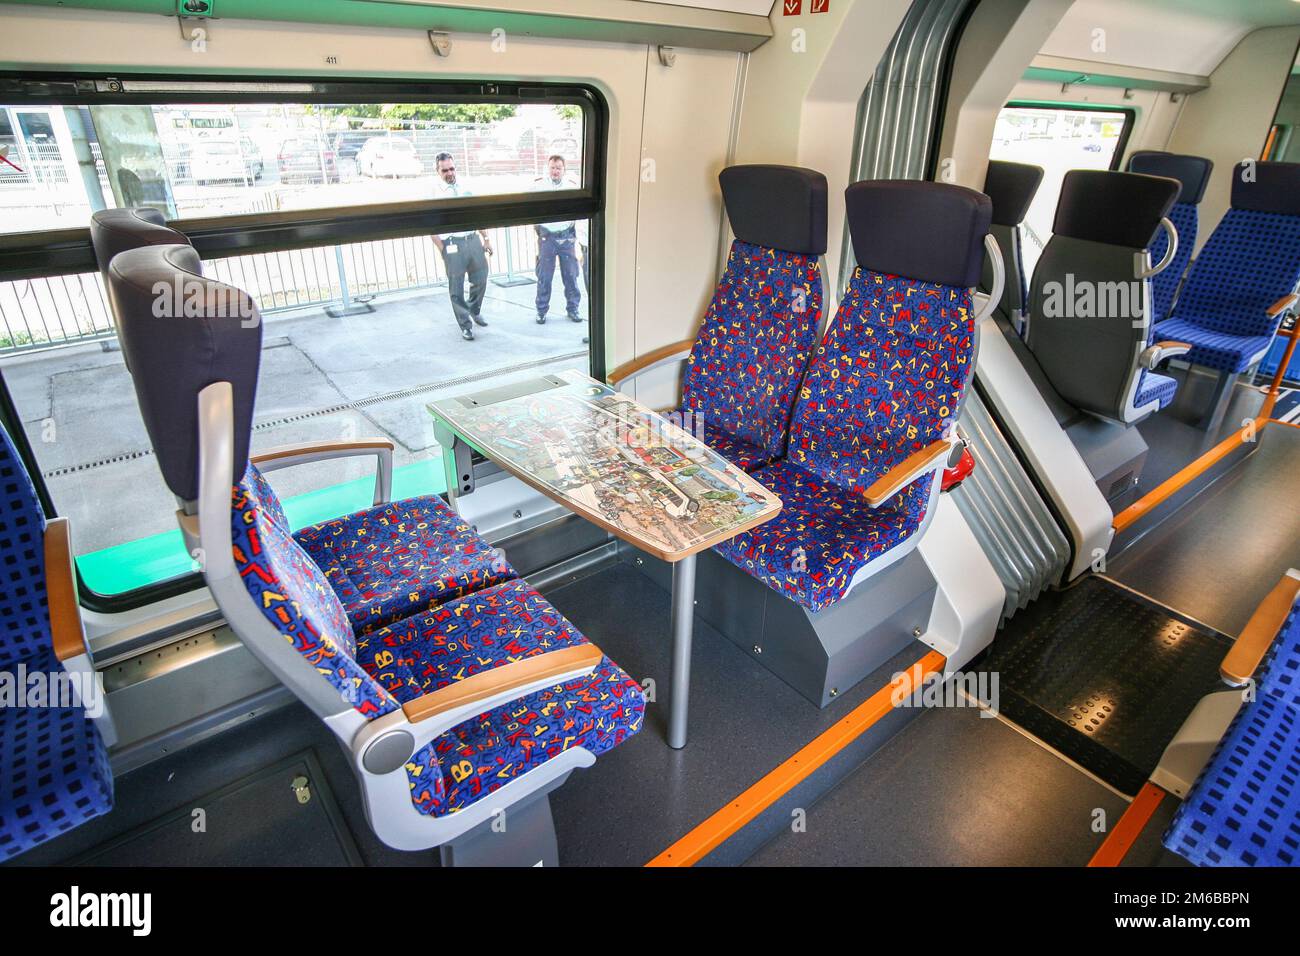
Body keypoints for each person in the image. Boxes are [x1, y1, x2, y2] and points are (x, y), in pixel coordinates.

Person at [431, 151, 493, 341]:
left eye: (451, 168)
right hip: (452, 245)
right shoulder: (434, 194)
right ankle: (465, 325)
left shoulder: (465, 187)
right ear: (437, 171)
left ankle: (474, 310)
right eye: (445, 170)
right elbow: (429, 226)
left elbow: (477, 214)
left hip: (472, 240)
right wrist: (442, 247)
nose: (449, 173)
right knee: (456, 289)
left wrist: (486, 238)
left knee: (481, 278)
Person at [533, 154, 582, 324]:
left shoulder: (572, 187)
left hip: (566, 238)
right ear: (548, 169)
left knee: (570, 276)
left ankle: (573, 309)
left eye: (558, 168)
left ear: (564, 170)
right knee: (545, 277)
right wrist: (540, 232)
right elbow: (534, 212)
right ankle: (541, 310)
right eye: (552, 168)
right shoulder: (539, 187)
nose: (555, 171)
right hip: (547, 238)